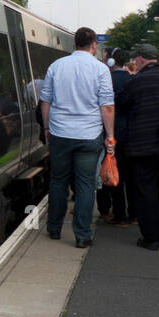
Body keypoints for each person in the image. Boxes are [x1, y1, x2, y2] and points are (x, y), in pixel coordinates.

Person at [40, 27, 116, 248]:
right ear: (93, 45)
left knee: (58, 181)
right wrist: (109, 136)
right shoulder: (100, 69)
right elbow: (107, 107)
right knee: (85, 185)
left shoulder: (56, 66)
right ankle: (82, 235)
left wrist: (46, 128)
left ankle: (54, 228)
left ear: (75, 44)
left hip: (60, 133)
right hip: (89, 135)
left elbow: (45, 101)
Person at [116, 43, 159, 250]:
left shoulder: (136, 82)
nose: (134, 62)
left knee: (146, 191)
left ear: (142, 59)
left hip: (143, 146)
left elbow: (121, 104)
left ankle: (150, 237)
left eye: (135, 59)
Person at [97, 47, 136, 225]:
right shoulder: (132, 79)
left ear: (112, 61)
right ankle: (134, 214)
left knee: (112, 174)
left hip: (111, 134)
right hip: (131, 135)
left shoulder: (106, 80)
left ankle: (118, 214)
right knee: (131, 177)